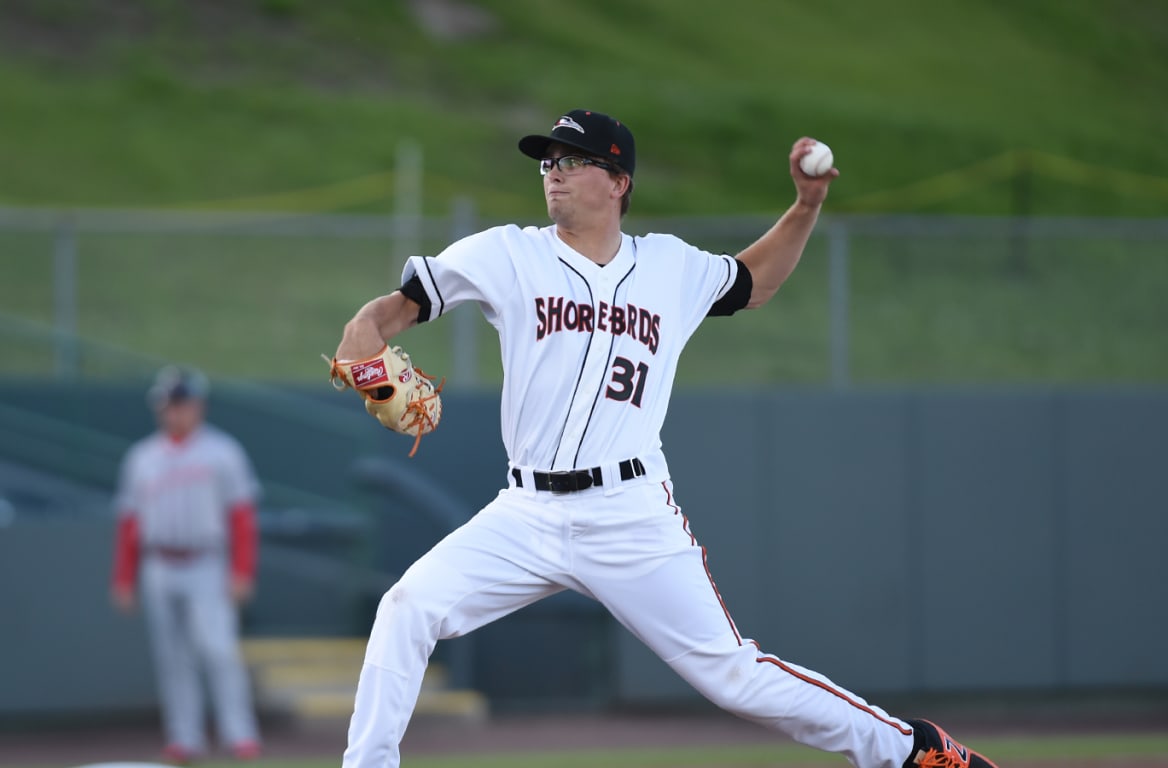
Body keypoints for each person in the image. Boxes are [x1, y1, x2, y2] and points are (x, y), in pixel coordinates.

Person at [327, 110, 999, 768]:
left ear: (618, 180)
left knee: (735, 676)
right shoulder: (506, 253)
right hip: (525, 512)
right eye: (547, 161)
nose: (553, 173)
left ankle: (912, 751)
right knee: (407, 607)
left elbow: (753, 283)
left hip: (629, 514)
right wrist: (364, 341)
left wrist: (805, 206)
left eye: (571, 160)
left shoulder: (669, 268)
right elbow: (392, 310)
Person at [111, 366, 262, 765]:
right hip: (159, 562)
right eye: (168, 404)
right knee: (172, 656)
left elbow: (242, 517)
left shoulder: (222, 452)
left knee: (218, 649)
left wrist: (242, 570)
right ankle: (185, 738)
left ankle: (239, 733)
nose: (174, 411)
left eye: (181, 403)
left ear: (198, 406)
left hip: (207, 561)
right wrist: (124, 576)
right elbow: (129, 522)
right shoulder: (141, 457)